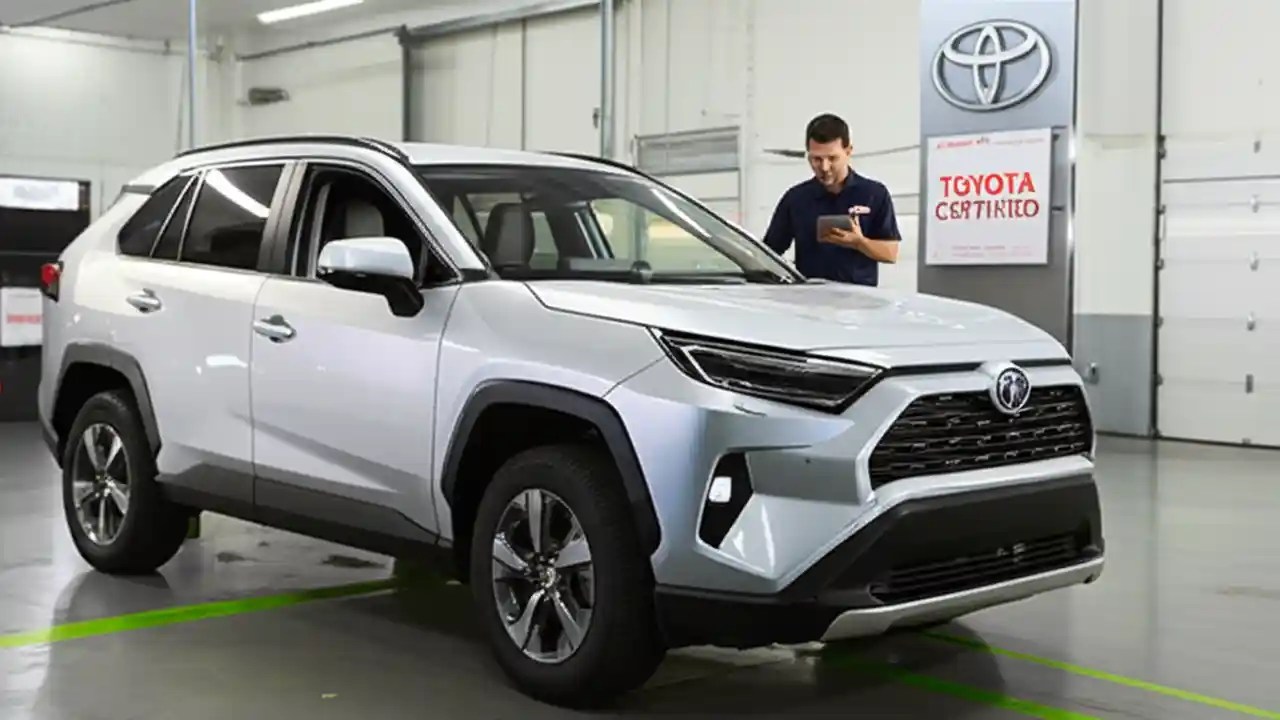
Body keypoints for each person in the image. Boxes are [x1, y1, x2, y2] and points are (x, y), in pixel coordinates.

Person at [762, 113, 901, 286]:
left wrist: (859, 242)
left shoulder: (874, 194)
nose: (824, 167)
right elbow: (769, 253)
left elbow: (891, 253)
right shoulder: (796, 199)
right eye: (816, 159)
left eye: (832, 158)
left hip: (859, 302)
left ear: (848, 151)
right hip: (810, 299)